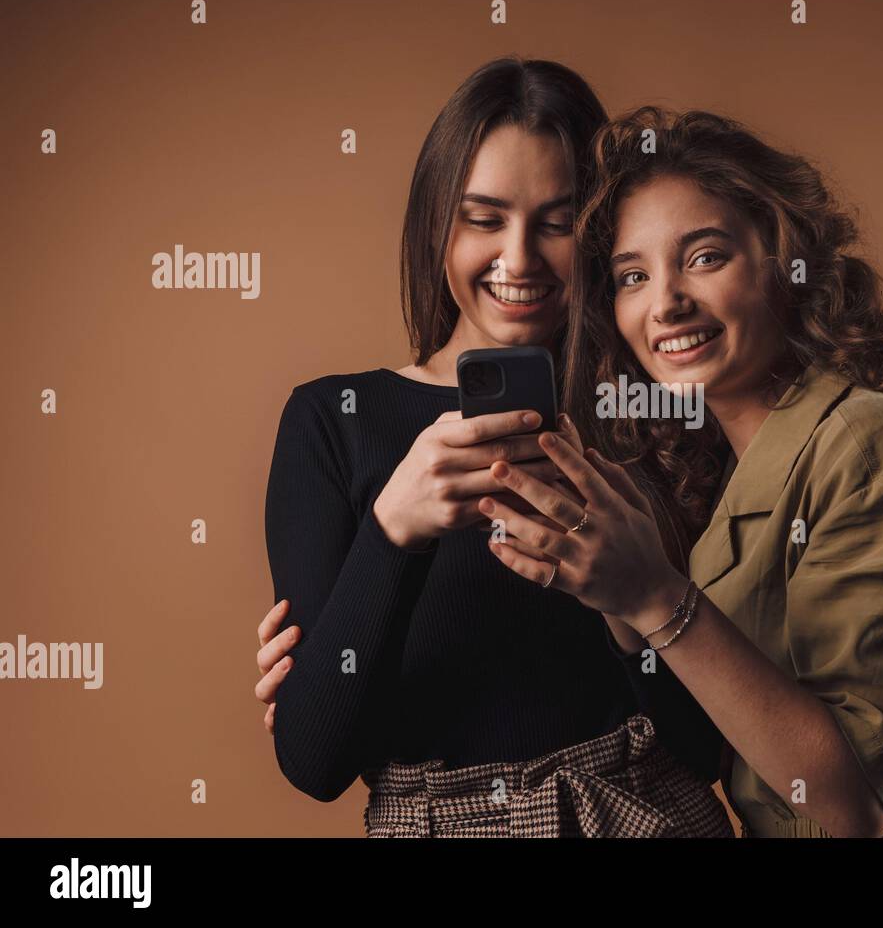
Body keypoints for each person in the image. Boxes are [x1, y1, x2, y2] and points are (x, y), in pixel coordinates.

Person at [479, 107, 883, 837]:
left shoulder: (869, 442)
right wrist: (614, 592)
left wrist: (653, 592)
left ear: (785, 263)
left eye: (704, 257)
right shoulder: (735, 477)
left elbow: (856, 804)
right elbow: (718, 728)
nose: (666, 303)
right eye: (633, 275)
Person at [258, 65, 731, 837]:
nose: (520, 259)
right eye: (484, 219)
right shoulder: (332, 421)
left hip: (637, 809)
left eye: (557, 221)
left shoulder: (651, 408)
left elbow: (705, 747)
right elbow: (315, 762)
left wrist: (625, 594)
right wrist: (392, 532)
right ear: (435, 223)